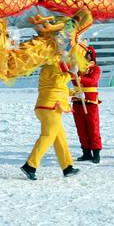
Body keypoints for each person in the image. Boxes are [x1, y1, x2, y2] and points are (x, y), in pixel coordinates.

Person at [21, 52, 79, 180]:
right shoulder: (50, 66)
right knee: (47, 136)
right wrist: (71, 73)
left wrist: (73, 93)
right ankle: (30, 165)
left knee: (60, 138)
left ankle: (67, 167)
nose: (67, 57)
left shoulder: (54, 67)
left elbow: (56, 87)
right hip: (49, 107)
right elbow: (58, 82)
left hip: (51, 106)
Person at [70, 45, 103, 163]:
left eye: (88, 54)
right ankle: (86, 152)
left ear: (92, 55)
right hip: (78, 101)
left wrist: (78, 77)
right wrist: (73, 74)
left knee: (93, 128)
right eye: (84, 54)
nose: (86, 56)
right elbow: (72, 79)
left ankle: (96, 153)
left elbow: (92, 80)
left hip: (90, 102)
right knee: (81, 128)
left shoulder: (96, 69)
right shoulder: (76, 68)